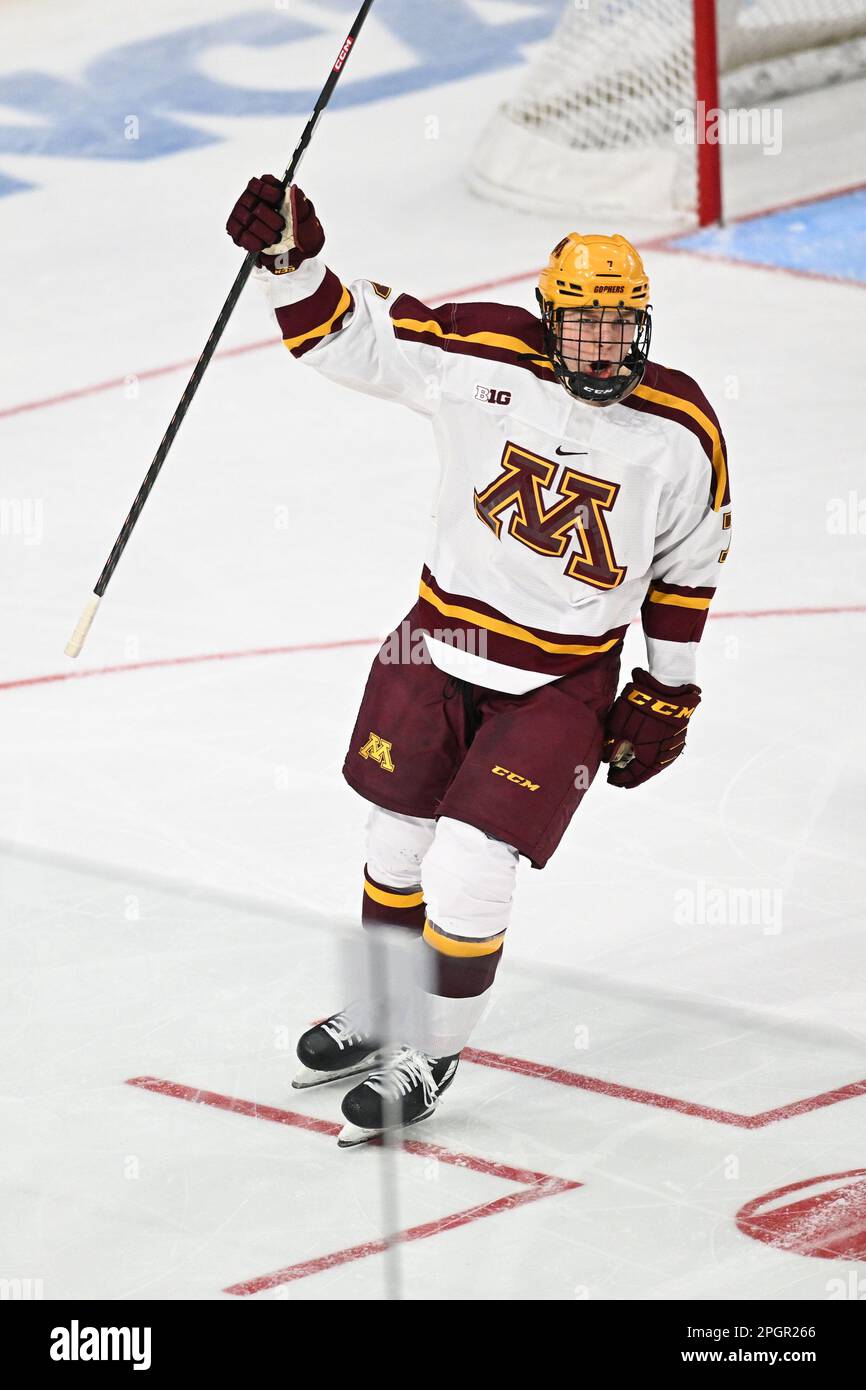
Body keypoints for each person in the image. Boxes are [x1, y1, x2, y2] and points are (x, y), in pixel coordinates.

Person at [226, 176, 732, 1146]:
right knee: (393, 841)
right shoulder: (480, 352)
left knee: (467, 864)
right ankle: (382, 1007)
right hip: (438, 639)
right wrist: (291, 261)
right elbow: (352, 336)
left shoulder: (677, 428)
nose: (604, 347)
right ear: (548, 321)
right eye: (584, 328)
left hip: (559, 677)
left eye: (622, 327)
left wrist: (666, 693)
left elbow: (685, 567)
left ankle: (434, 1046)